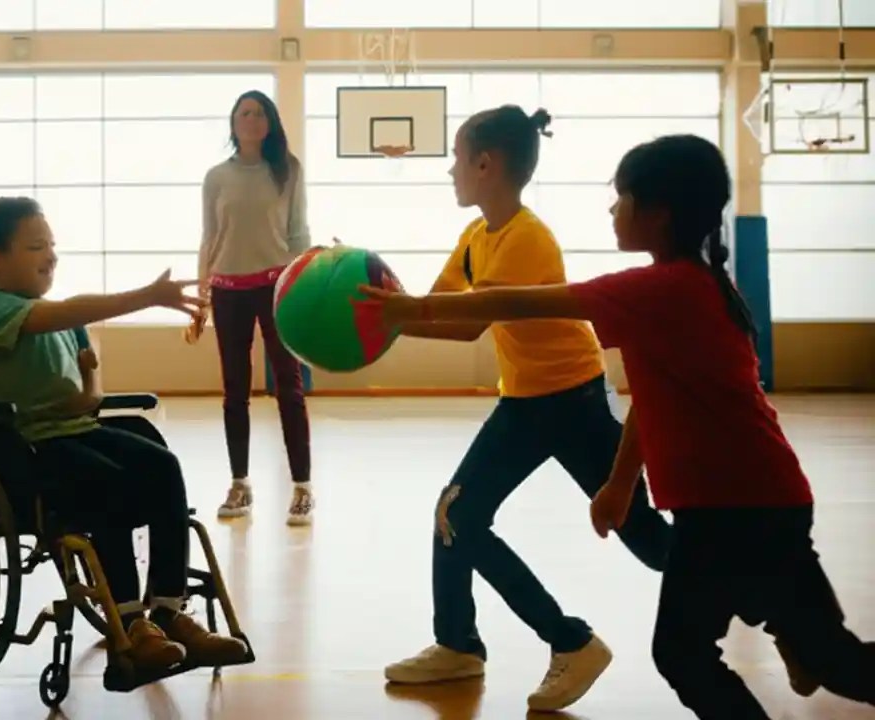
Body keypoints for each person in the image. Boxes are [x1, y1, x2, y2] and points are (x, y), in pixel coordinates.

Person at [361, 134, 875, 720]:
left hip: (739, 509)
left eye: (621, 197)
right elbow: (653, 402)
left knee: (699, 655)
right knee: (780, 653)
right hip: (749, 506)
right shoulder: (690, 283)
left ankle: (789, 627)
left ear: (658, 215)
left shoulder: (659, 290)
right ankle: (789, 625)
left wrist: (408, 311)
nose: (611, 209)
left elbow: (521, 304)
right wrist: (619, 484)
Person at [380, 105, 671, 713]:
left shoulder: (526, 239)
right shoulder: (476, 236)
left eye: (457, 159)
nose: (451, 171)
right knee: (456, 514)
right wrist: (374, 299)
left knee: (645, 540)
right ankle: (462, 644)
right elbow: (438, 309)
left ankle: (756, 583)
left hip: (571, 400)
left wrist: (385, 316)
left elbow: (469, 321)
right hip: (524, 401)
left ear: (486, 164)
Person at [0, 196, 248, 674]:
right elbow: (58, 316)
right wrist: (145, 297)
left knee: (162, 465)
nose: (51, 256)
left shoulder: (65, 323)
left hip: (77, 429)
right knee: (107, 484)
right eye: (36, 246)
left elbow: (90, 388)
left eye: (52, 245)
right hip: (27, 446)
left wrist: (88, 393)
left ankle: (169, 612)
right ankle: (132, 627)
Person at [193, 89, 314, 525]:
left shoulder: (288, 170)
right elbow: (209, 237)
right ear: (233, 122)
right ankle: (240, 483)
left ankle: (302, 487)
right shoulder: (216, 177)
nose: (252, 118)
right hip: (228, 290)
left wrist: (304, 284)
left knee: (289, 384)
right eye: (244, 112)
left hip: (275, 287)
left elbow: (298, 232)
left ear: (270, 122)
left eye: (260, 112)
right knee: (234, 390)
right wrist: (201, 297)